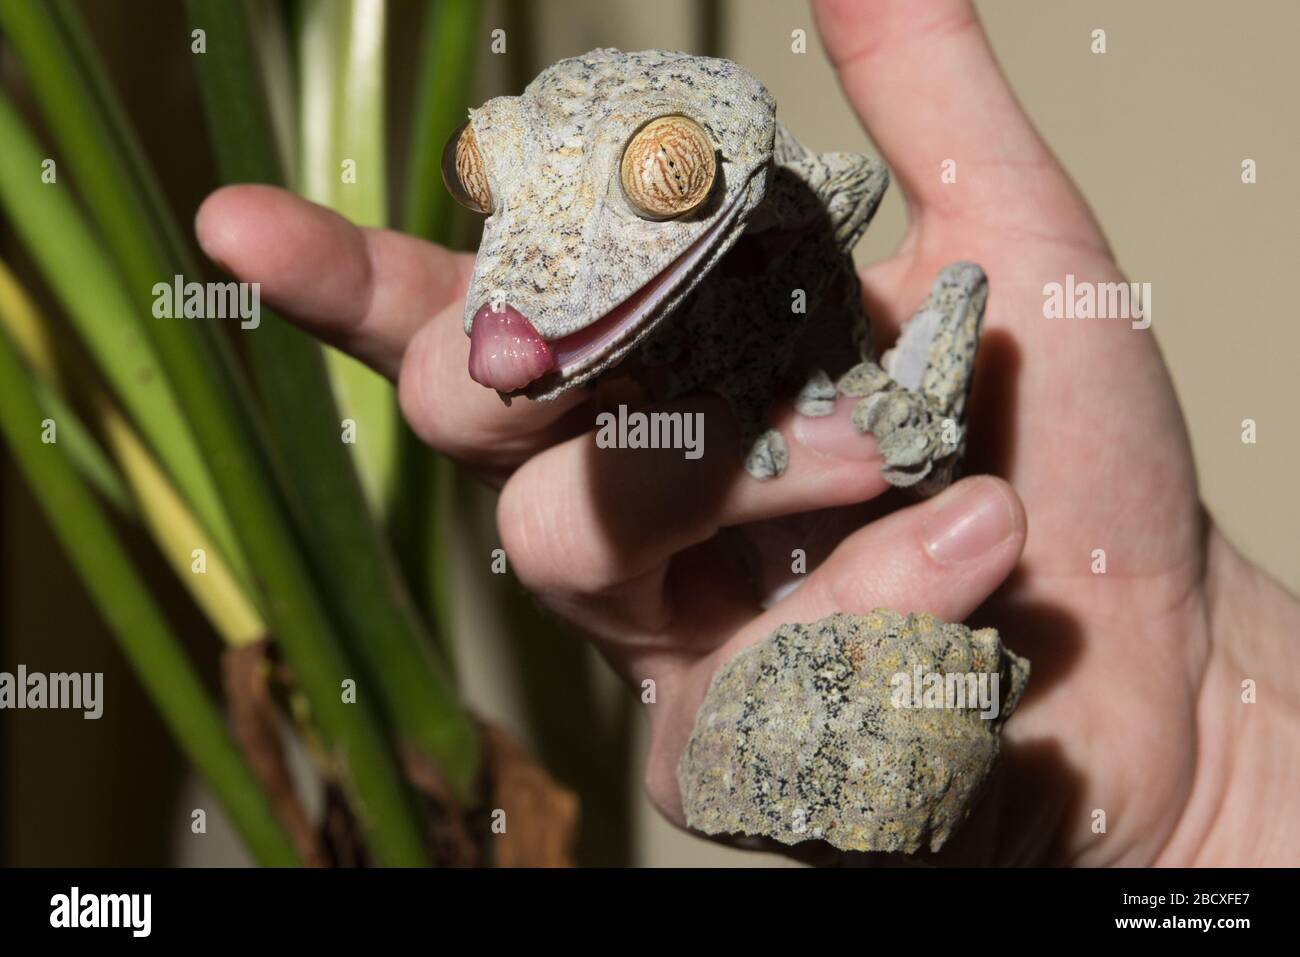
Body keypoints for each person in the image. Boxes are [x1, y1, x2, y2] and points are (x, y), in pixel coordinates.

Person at [193, 0, 1299, 864]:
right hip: (800, 543)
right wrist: (1191, 814)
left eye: (665, 178)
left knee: (906, 421)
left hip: (882, 438)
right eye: (485, 171)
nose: (507, 302)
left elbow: (849, 189)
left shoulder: (792, 227)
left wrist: (1218, 766)